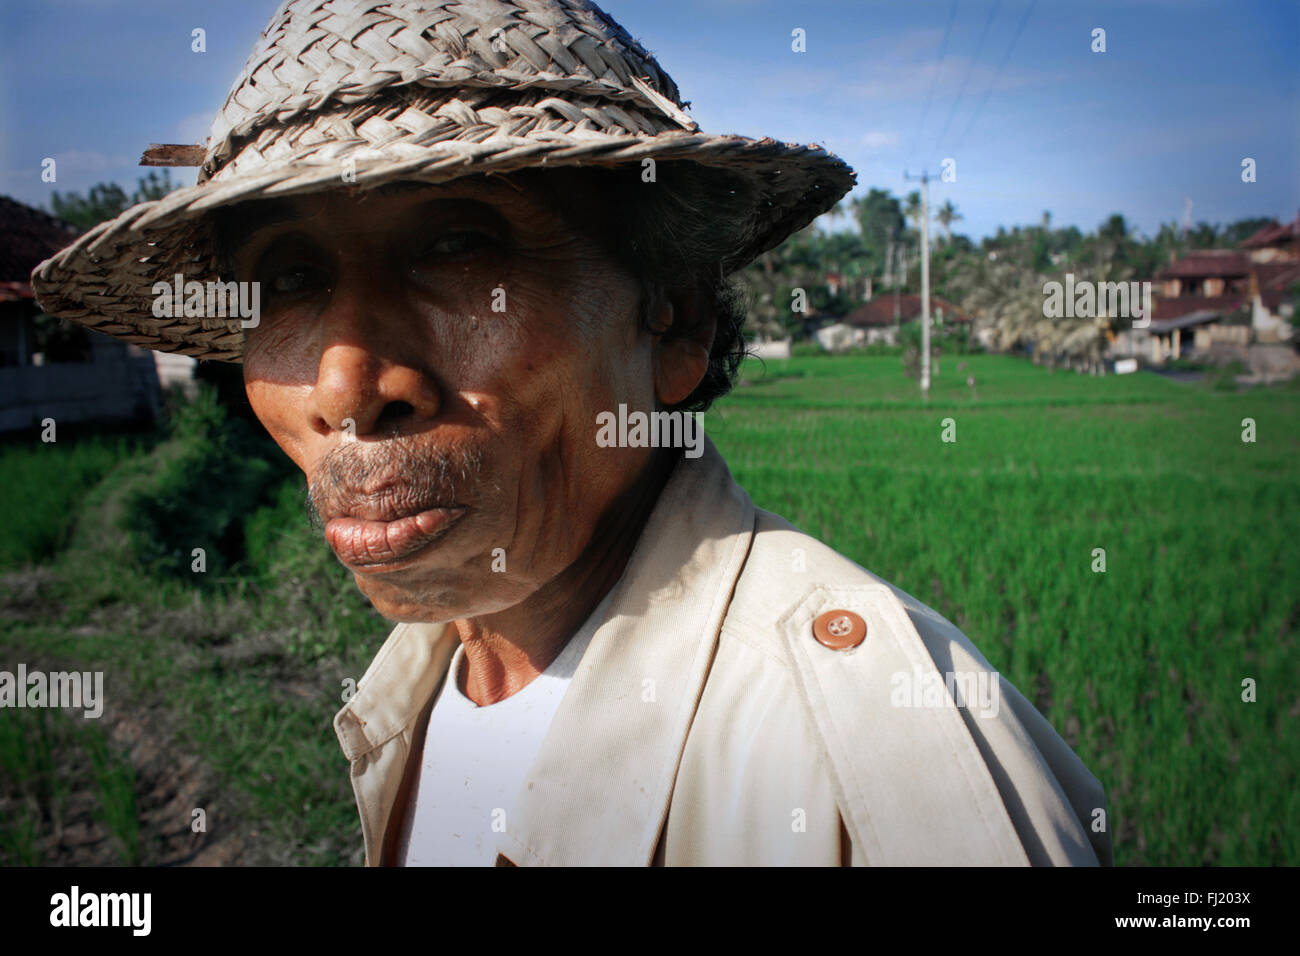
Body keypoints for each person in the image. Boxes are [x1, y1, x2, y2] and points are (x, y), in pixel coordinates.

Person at [33, 0, 1111, 867]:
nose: (348, 383)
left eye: (458, 246)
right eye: (291, 277)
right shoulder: (420, 681)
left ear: (671, 316)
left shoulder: (871, 746)